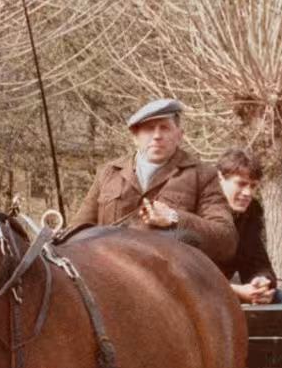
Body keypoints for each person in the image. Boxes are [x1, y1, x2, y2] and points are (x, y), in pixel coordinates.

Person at [70, 99, 237, 265]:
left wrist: (174, 218)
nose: (157, 136)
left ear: (180, 135)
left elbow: (226, 241)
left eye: (165, 128)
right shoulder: (109, 172)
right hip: (108, 275)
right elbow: (77, 230)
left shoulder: (202, 175)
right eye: (149, 129)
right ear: (135, 137)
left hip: (169, 281)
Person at [214, 147, 282, 304]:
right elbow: (189, 273)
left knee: (280, 298)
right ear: (220, 178)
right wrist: (235, 291)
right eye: (241, 184)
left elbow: (257, 262)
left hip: (225, 293)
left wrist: (261, 283)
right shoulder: (197, 209)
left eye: (253, 186)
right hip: (195, 292)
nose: (248, 193)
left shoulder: (250, 213)